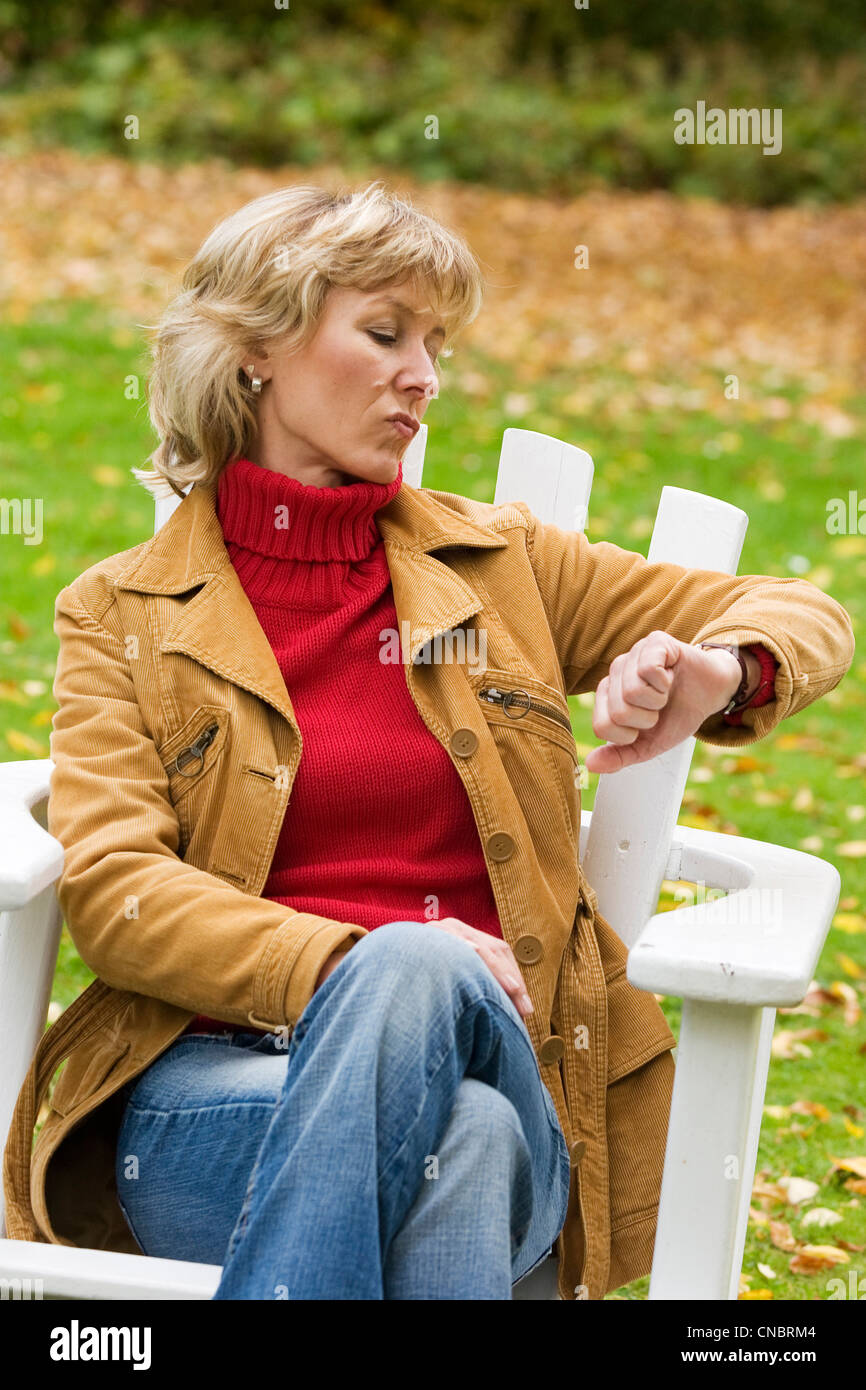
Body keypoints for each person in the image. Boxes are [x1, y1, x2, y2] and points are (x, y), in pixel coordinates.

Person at [3, 181, 854, 1300]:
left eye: (437, 343)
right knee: (466, 1137)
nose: (425, 377)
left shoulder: (501, 568)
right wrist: (371, 964)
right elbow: (116, 892)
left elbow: (805, 610)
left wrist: (721, 666)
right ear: (255, 344)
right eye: (386, 332)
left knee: (443, 1031)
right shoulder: (121, 613)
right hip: (211, 1093)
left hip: (501, 1049)